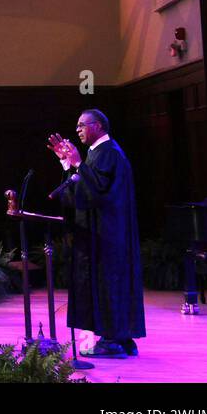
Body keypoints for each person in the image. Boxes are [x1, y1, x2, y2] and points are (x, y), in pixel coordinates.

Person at [47, 110, 146, 359]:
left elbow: (99, 191)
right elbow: (80, 191)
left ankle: (114, 340)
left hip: (109, 234)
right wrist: (66, 163)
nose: (78, 129)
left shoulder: (110, 153)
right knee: (104, 283)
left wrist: (79, 163)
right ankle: (120, 337)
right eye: (77, 125)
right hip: (98, 232)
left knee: (109, 282)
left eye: (83, 125)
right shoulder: (96, 153)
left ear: (99, 126)